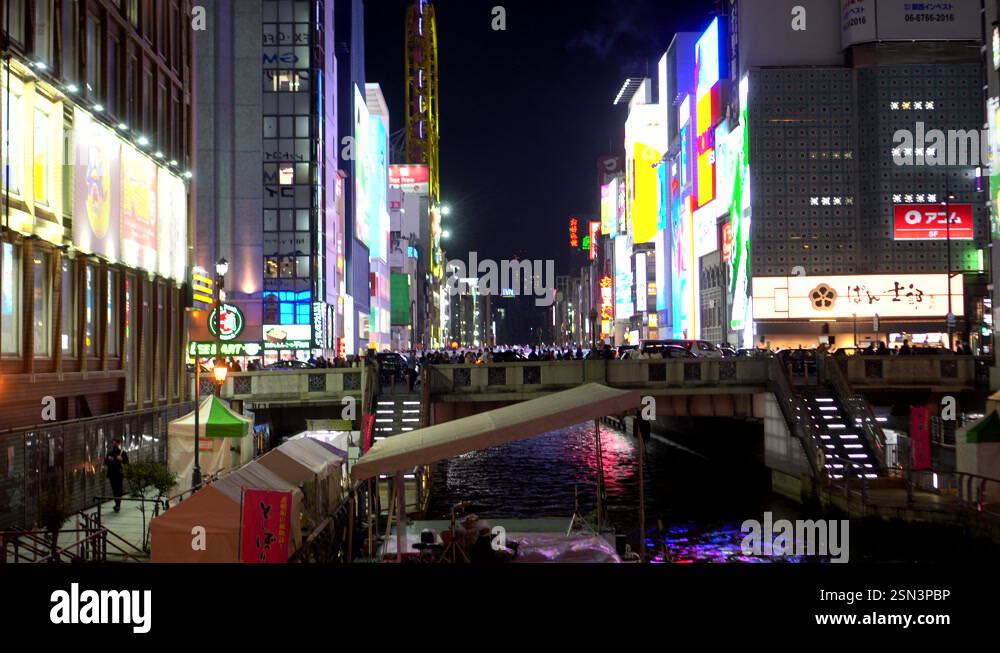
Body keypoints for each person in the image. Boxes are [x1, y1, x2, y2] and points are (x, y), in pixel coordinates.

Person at [104, 439, 130, 512]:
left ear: (119, 444)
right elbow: (105, 462)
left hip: (119, 473)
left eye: (115, 443)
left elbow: (127, 462)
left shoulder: (122, 453)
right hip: (112, 474)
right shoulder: (110, 453)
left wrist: (121, 459)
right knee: (114, 489)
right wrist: (109, 460)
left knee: (119, 489)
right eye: (113, 443)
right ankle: (117, 504)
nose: (114, 445)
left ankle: (118, 504)